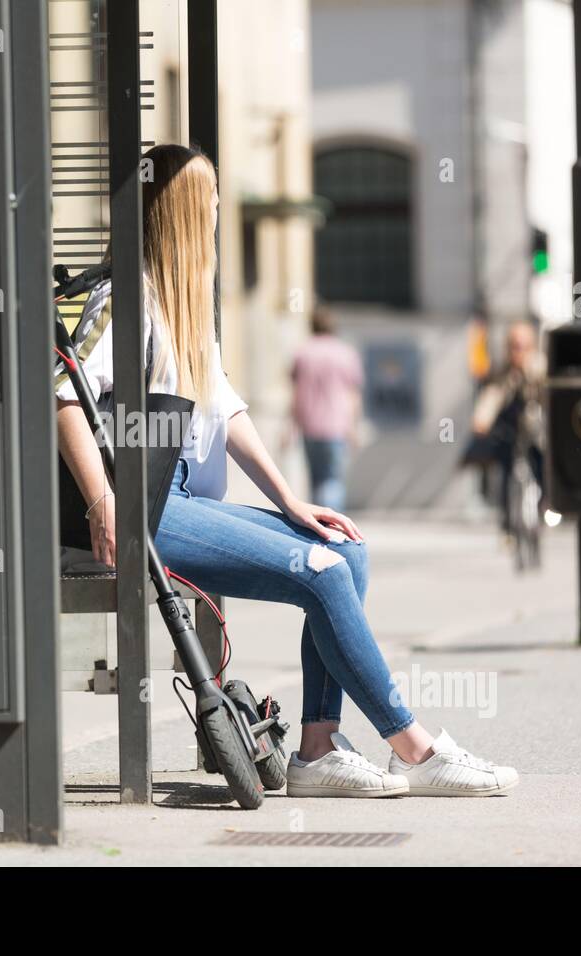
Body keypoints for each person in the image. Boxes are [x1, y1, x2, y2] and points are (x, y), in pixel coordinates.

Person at [55, 144, 517, 798]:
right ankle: (414, 747)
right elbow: (62, 393)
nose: (218, 213)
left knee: (341, 549)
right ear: (182, 212)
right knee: (322, 575)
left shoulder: (181, 307)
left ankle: (319, 750)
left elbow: (228, 408)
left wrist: (293, 502)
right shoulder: (121, 296)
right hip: (135, 504)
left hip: (171, 495)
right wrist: (102, 498)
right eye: (209, 202)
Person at [469, 321, 546, 533]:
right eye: (513, 346)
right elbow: (492, 396)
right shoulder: (504, 372)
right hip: (511, 433)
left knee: (543, 464)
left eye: (521, 346)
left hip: (536, 433)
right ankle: (507, 521)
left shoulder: (540, 368)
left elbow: (550, 396)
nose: (517, 352)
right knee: (505, 468)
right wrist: (481, 420)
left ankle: (543, 506)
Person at [288, 306, 363, 513]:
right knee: (332, 480)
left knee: (315, 479)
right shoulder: (346, 353)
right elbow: (353, 395)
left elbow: (295, 394)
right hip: (337, 427)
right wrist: (353, 428)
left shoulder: (302, 353)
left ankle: (317, 525)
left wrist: (290, 428)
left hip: (309, 426)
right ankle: (333, 525)